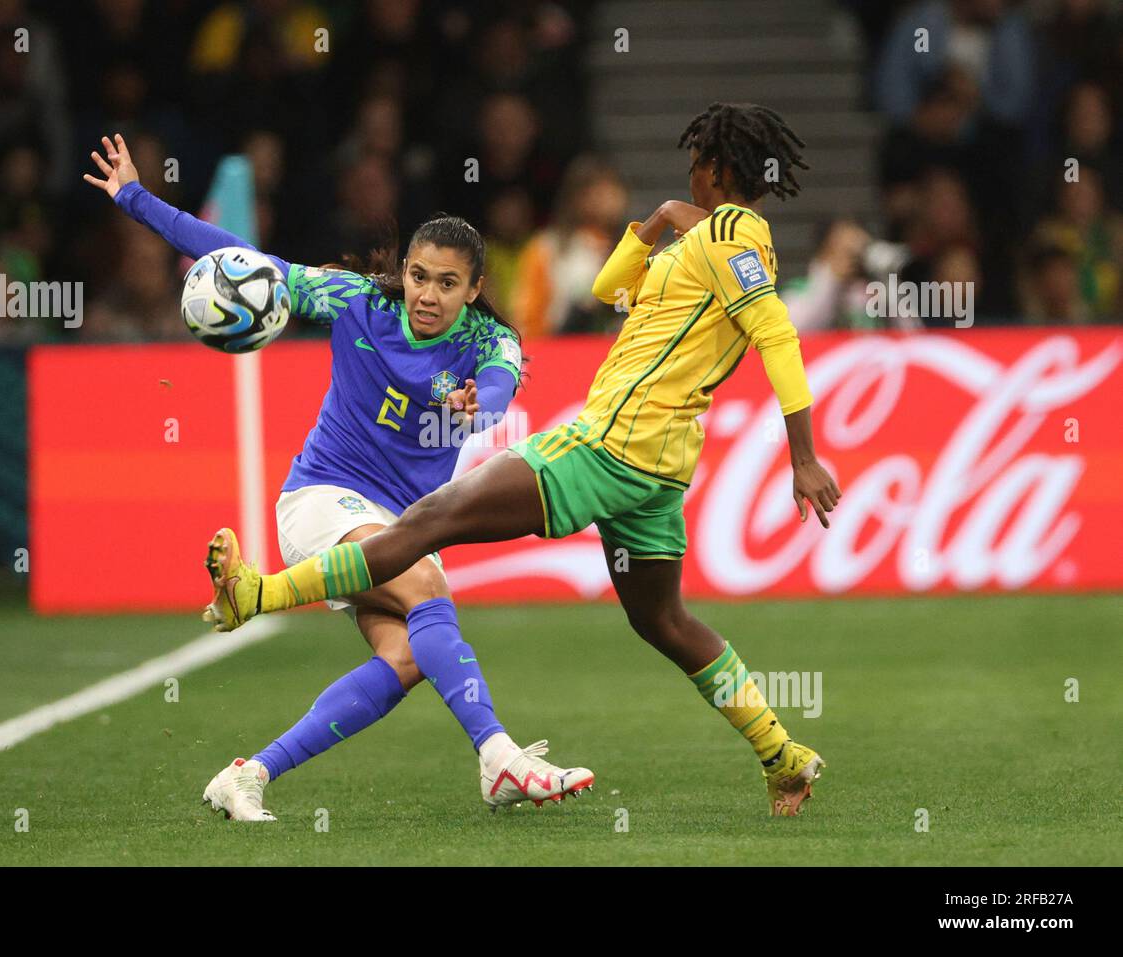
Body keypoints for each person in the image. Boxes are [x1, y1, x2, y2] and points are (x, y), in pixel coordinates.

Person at [205, 103, 841, 817]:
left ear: (718, 170)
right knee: (664, 621)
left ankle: (258, 595)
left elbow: (778, 334)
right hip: (659, 467)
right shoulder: (709, 243)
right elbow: (609, 291)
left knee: (428, 520)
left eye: (695, 166)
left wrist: (804, 456)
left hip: (610, 442)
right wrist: (657, 223)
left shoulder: (730, 234)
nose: (688, 176)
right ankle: (782, 756)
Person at [83, 133, 593, 821]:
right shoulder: (357, 302)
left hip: (401, 522)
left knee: (410, 658)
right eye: (419, 275)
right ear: (404, 270)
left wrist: (481, 404)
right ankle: (498, 756)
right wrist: (134, 197)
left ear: (475, 288)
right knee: (427, 587)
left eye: (448, 283)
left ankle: (248, 774)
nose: (428, 294)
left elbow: (500, 385)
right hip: (321, 501)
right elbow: (237, 256)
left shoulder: (487, 342)